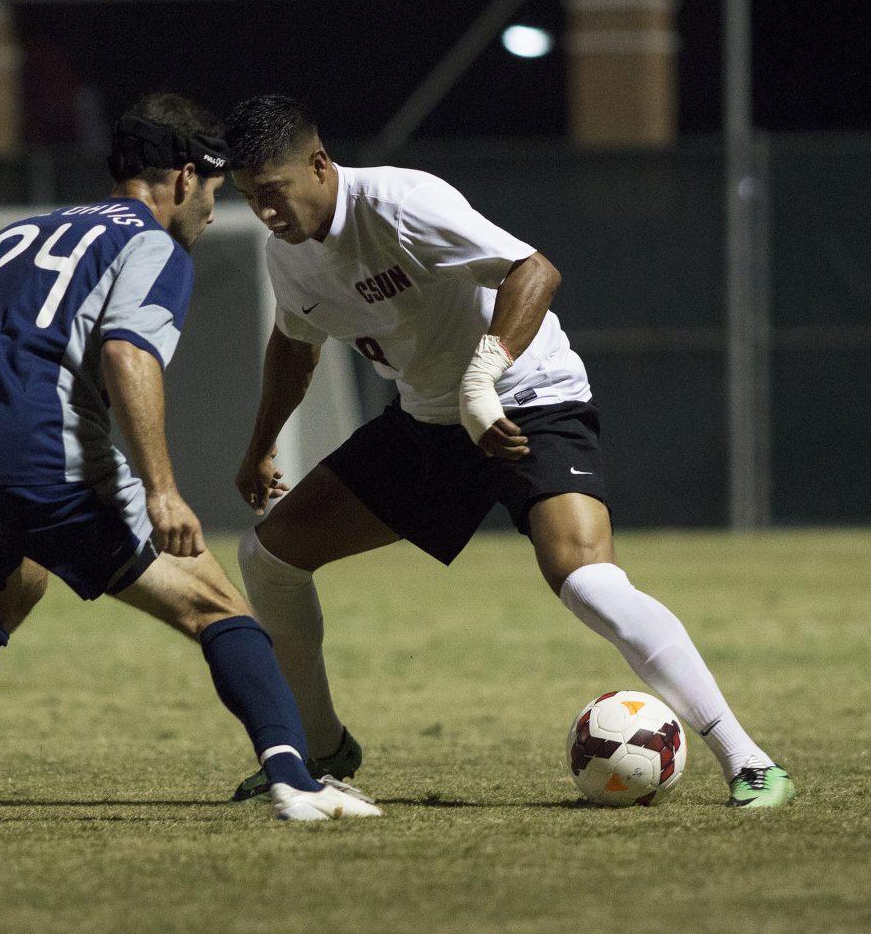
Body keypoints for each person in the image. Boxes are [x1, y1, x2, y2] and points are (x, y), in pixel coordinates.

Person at [223, 94, 795, 809]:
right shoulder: (289, 257)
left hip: (530, 400)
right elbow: (295, 345)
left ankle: (748, 758)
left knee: (587, 581)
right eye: (250, 197)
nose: (266, 212)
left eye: (272, 192)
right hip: (429, 424)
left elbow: (534, 270)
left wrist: (482, 379)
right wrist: (261, 443)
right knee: (267, 558)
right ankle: (319, 745)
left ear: (317, 163)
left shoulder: (402, 201)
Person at [0, 93, 381, 823]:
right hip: (45, 454)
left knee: (3, 594)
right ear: (181, 177)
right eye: (210, 188)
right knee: (218, 606)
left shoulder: (15, 233)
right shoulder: (153, 242)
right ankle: (298, 781)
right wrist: (162, 491)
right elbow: (126, 350)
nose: (209, 207)